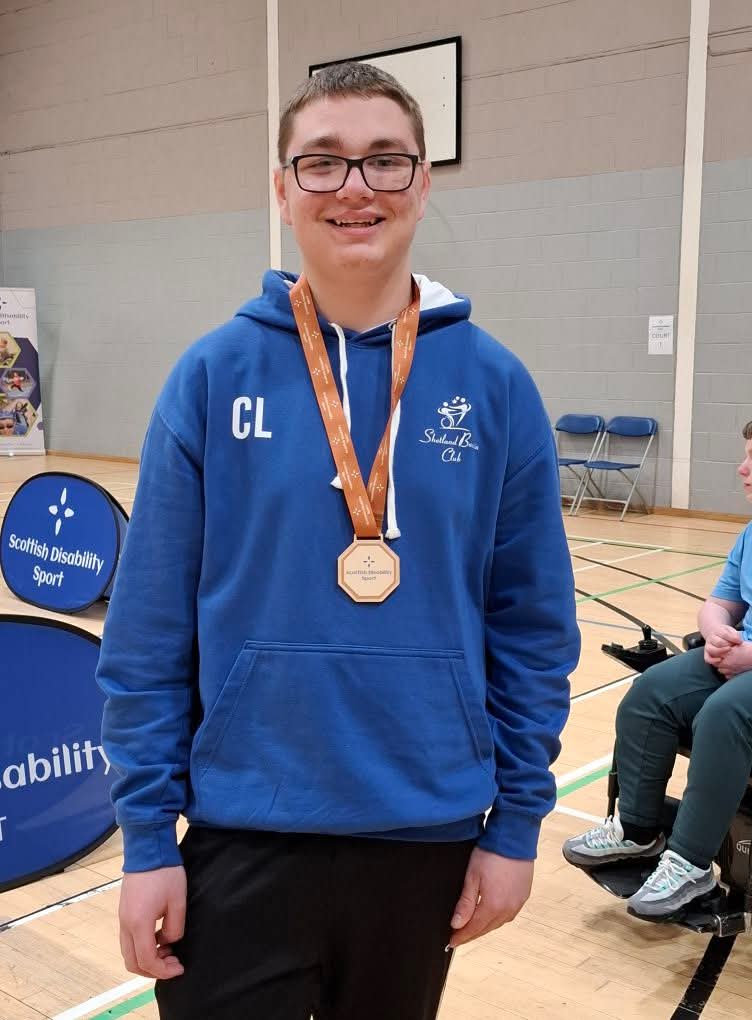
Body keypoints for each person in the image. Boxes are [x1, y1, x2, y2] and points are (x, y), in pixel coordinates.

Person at [97, 62, 579, 1020]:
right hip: (242, 832)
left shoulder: (496, 386)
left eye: (384, 161)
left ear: (424, 180)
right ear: (282, 189)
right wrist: (147, 838)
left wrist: (518, 823)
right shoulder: (209, 376)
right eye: (322, 164)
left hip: (427, 832)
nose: (355, 188)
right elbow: (148, 630)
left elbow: (530, 626)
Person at [563, 420, 752, 919]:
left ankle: (690, 864)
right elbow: (719, 603)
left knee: (724, 715)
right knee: (652, 691)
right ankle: (637, 830)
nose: (742, 468)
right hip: (737, 656)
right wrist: (715, 632)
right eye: (745, 454)